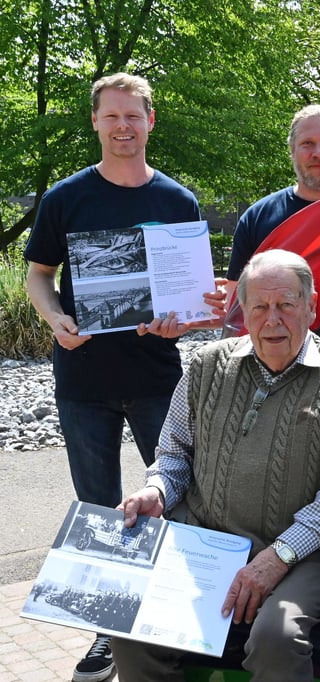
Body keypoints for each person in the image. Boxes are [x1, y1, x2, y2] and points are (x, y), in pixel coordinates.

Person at [23, 72, 215, 682]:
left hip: (159, 375)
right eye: (112, 117)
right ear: (97, 122)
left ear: (150, 121)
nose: (123, 127)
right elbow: (38, 275)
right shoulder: (66, 198)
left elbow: (195, 303)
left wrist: (176, 326)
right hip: (84, 378)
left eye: (134, 116)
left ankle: (182, 627)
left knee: (181, 496)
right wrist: (54, 318)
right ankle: (108, 635)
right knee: (98, 510)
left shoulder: (177, 202)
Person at [111, 249, 320, 681]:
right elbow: (174, 455)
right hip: (205, 543)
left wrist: (278, 556)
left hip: (299, 553)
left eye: (286, 305)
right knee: (130, 626)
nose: (272, 319)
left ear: (311, 306)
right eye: (260, 306)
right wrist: (156, 491)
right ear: (244, 311)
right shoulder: (205, 366)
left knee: (278, 637)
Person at [224, 104, 320, 296]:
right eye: (307, 144)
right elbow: (236, 302)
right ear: (292, 151)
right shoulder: (257, 218)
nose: (319, 153)